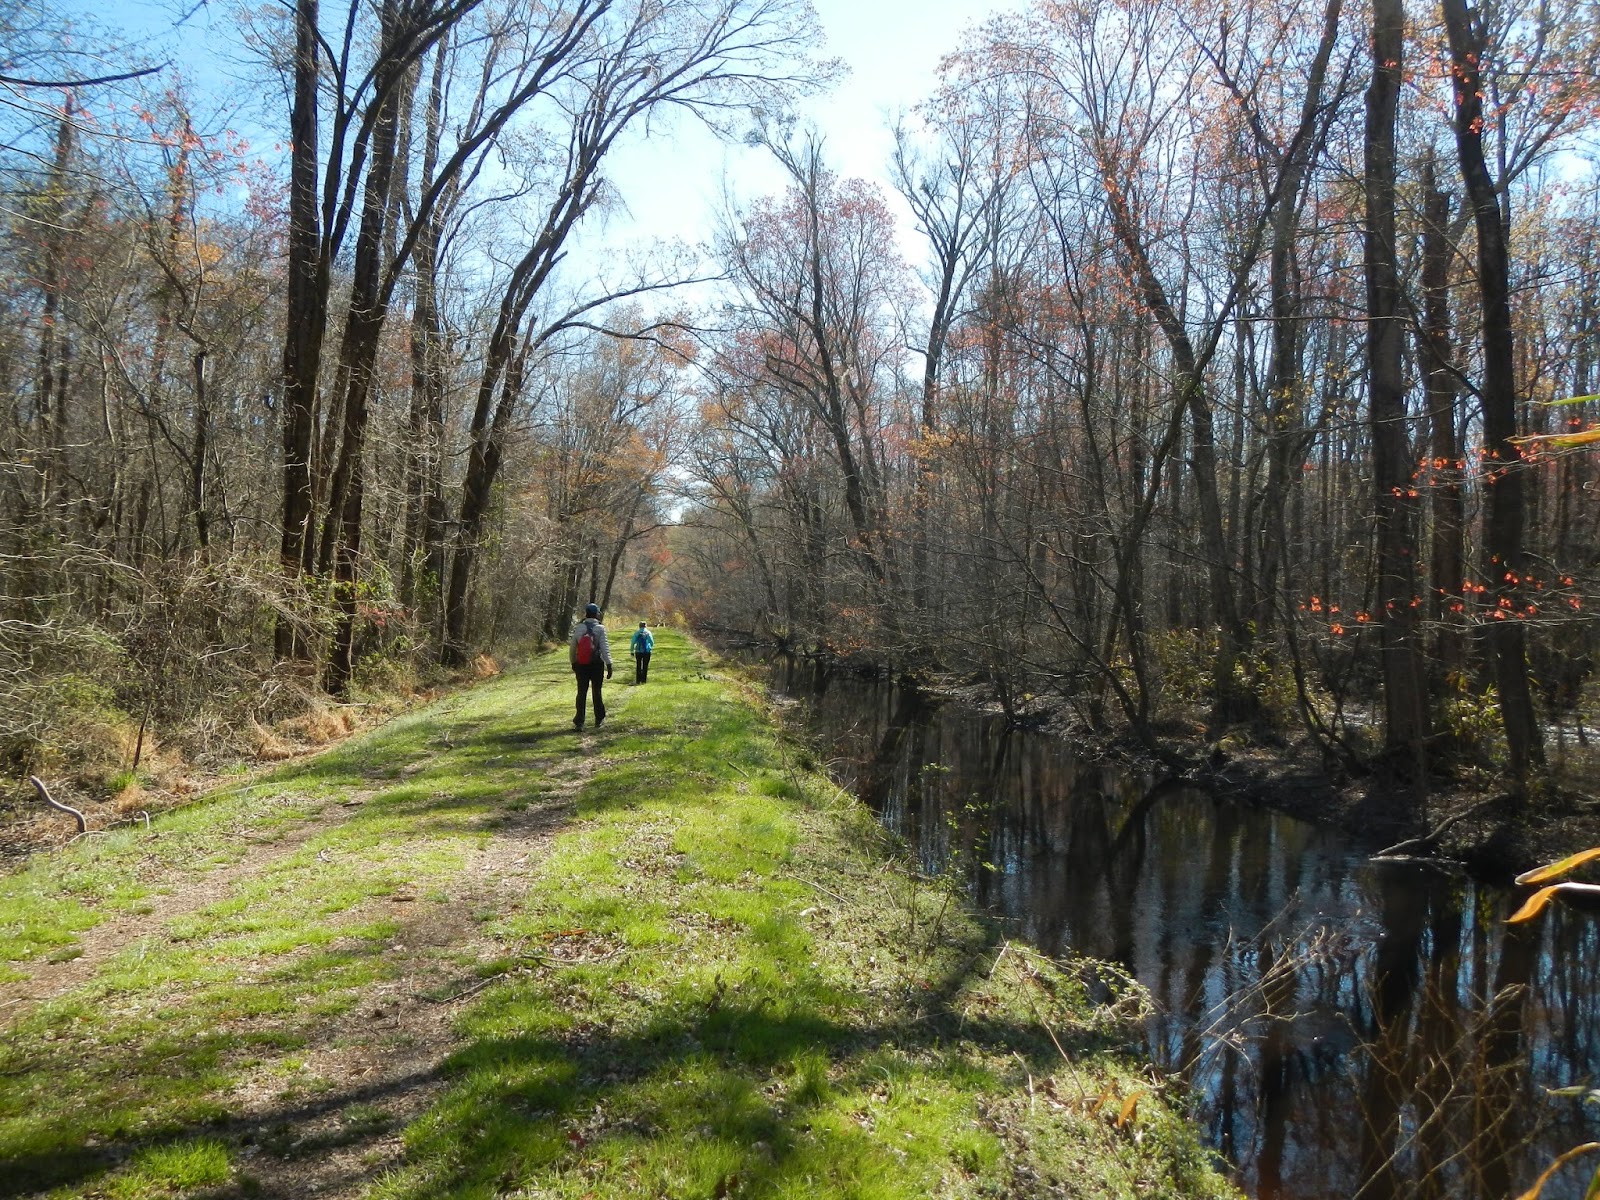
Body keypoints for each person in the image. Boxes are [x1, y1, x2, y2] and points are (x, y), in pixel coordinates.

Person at [568, 603, 612, 729]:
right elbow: (604, 648)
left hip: (581, 665)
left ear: (586, 613)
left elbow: (572, 647)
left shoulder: (579, 628)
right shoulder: (600, 628)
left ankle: (579, 722)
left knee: (581, 692)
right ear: (596, 613)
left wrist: (573, 662)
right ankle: (599, 719)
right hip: (597, 664)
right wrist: (609, 664)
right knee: (596, 691)